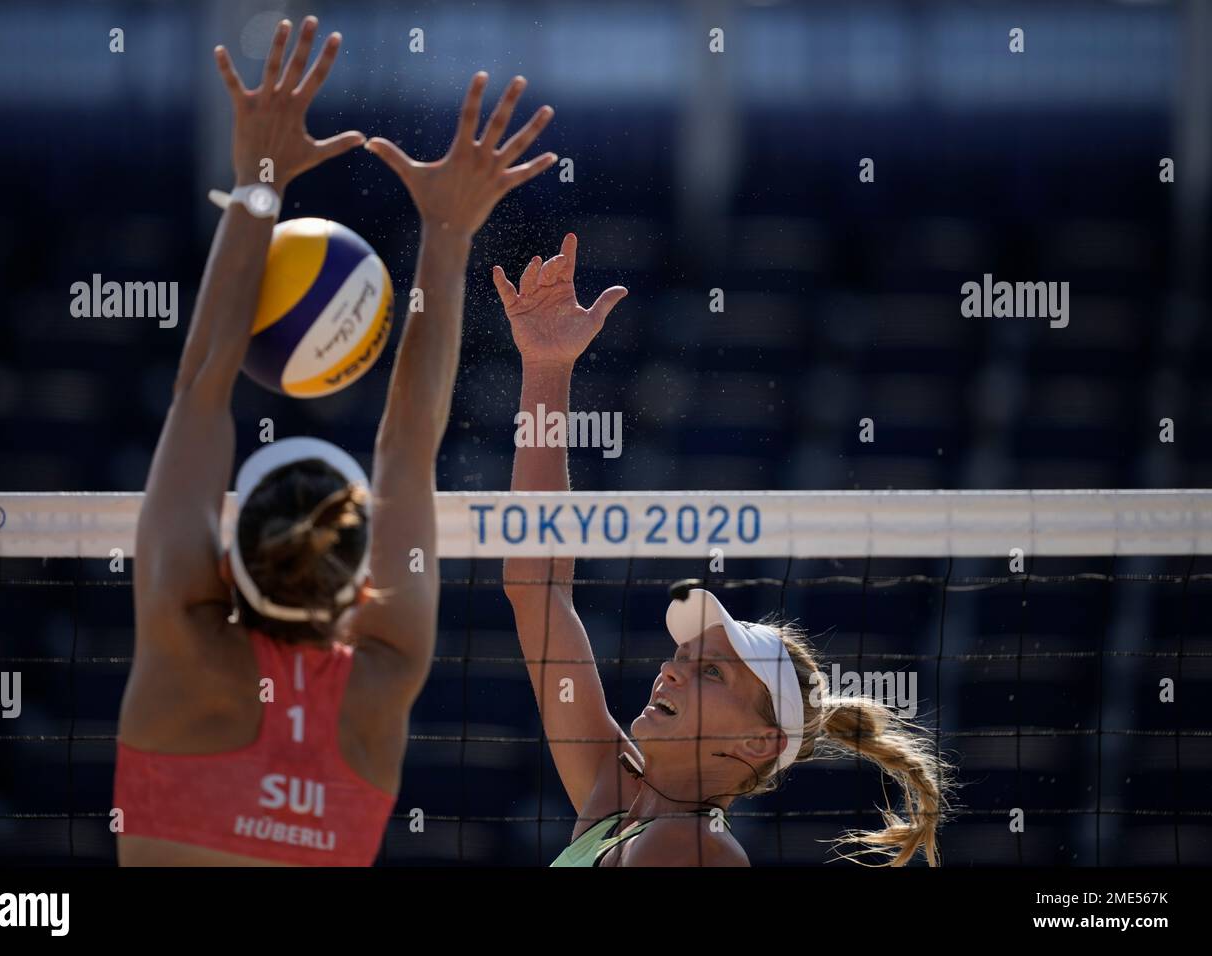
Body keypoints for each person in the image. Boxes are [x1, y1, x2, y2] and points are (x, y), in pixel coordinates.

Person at [114, 14, 556, 865]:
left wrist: (260, 180)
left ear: (229, 560)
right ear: (359, 584)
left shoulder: (183, 651)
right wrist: (451, 232)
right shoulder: (378, 689)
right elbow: (407, 450)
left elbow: (205, 386)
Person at [497, 234, 952, 866]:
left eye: (709, 670)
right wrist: (546, 368)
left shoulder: (688, 845)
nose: (671, 670)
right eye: (686, 657)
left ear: (758, 743)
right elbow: (537, 588)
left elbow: (537, 589)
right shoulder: (620, 800)